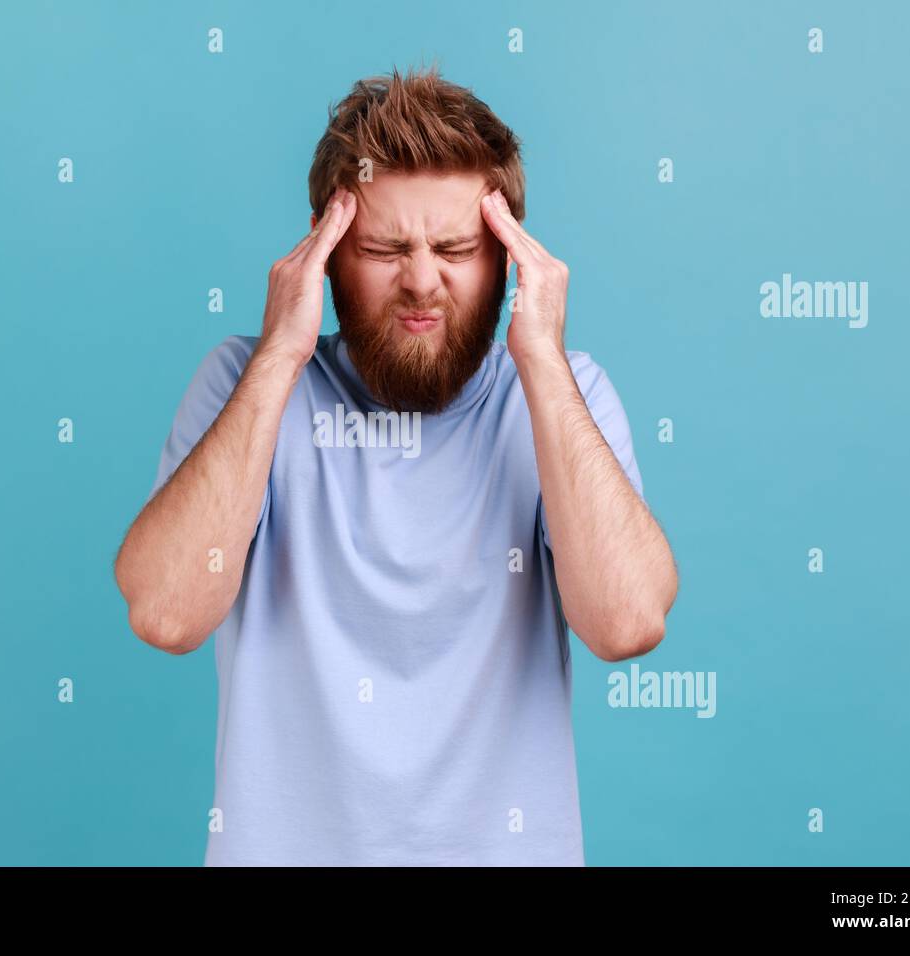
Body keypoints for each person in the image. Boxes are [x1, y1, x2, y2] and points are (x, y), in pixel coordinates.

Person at [114, 65, 679, 866]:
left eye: (455, 248)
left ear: (509, 255)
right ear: (325, 250)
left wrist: (542, 364)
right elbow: (166, 615)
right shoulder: (245, 385)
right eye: (384, 248)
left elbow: (626, 625)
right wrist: (280, 352)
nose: (421, 281)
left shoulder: (565, 394)